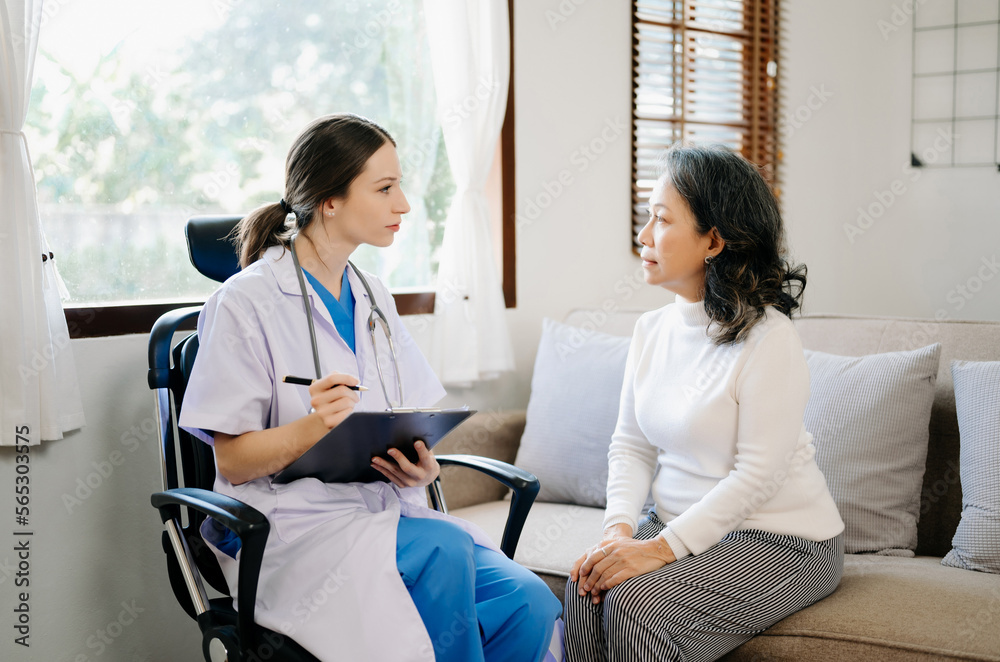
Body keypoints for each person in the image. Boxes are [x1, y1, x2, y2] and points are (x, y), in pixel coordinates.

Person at [178, 113, 561, 662]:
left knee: (529, 602)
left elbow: (401, 416)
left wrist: (422, 466)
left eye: (398, 185)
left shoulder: (373, 294)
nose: (403, 203)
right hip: (287, 526)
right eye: (385, 188)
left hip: (379, 508)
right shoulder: (244, 302)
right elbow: (234, 462)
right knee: (444, 551)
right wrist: (314, 426)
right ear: (329, 201)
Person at [563, 145, 846, 662]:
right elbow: (631, 445)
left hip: (783, 539)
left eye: (662, 220)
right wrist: (618, 533)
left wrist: (658, 550)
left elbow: (757, 475)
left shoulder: (769, 338)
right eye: (647, 216)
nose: (644, 235)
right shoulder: (650, 330)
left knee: (635, 604)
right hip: (679, 520)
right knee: (587, 588)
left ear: (714, 240)